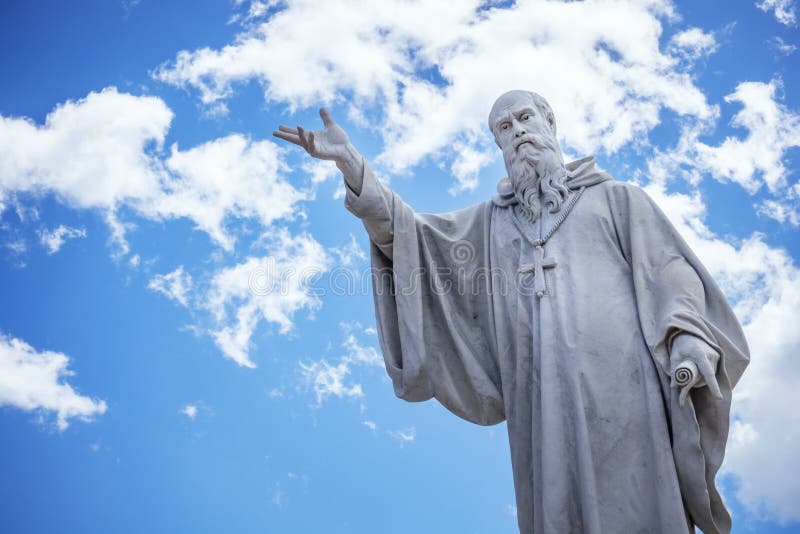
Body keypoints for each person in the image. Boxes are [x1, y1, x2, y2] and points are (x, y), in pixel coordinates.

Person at [274, 90, 749, 534]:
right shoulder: (488, 223)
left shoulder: (616, 198)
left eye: (524, 118)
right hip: (538, 399)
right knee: (554, 505)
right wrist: (352, 165)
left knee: (640, 499)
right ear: (498, 143)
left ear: (549, 123)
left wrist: (687, 335)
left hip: (625, 386)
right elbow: (408, 237)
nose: (517, 131)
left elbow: (668, 270)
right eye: (504, 127)